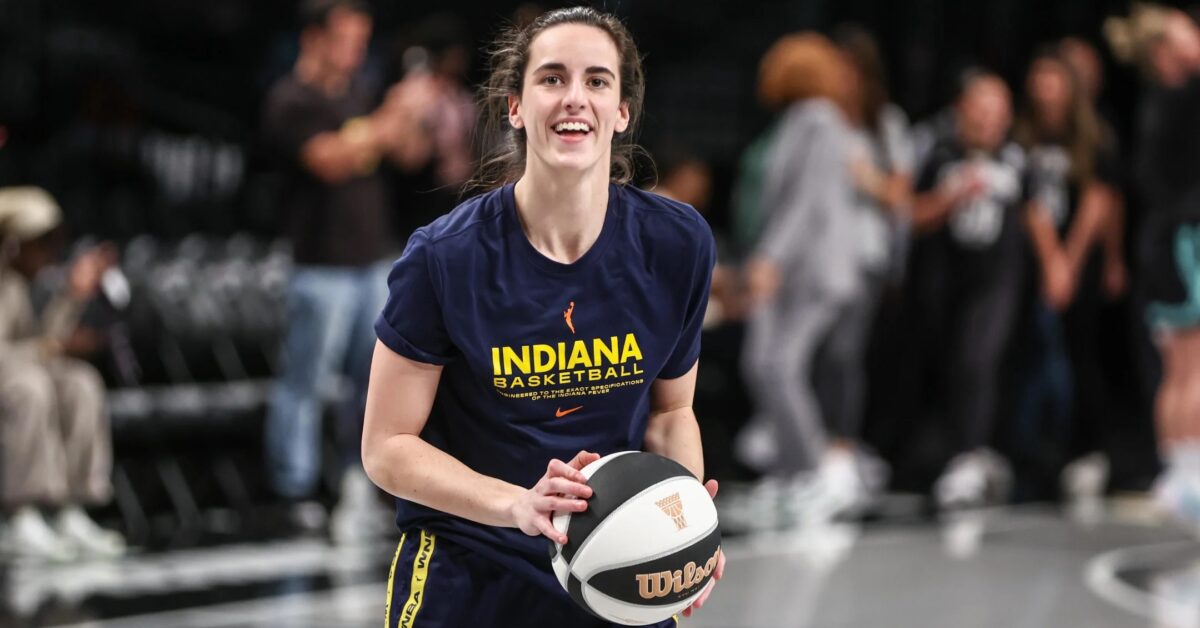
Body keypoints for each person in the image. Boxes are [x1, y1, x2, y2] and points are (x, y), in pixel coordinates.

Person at [361, 7, 722, 627]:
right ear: (515, 107)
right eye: (552, 79)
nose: (574, 98)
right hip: (472, 563)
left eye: (597, 81)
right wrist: (517, 505)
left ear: (623, 111)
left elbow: (671, 412)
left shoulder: (677, 244)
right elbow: (386, 447)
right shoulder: (445, 257)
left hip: (613, 566)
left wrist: (681, 526)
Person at [260, 0, 435, 540]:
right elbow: (331, 159)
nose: (356, 51)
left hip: (371, 264)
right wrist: (388, 119)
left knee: (374, 384)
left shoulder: (357, 96)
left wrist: (410, 114)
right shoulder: (293, 99)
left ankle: (356, 482)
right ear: (314, 38)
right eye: (346, 39)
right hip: (319, 268)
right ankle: (293, 491)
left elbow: (409, 155)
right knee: (305, 383)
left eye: (362, 40)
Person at [736, 33, 864, 524]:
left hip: (810, 271)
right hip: (789, 270)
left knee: (779, 366)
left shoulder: (820, 121)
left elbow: (807, 202)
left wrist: (770, 257)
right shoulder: (795, 121)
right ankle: (791, 476)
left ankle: (812, 475)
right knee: (763, 363)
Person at [911, 73, 1032, 509]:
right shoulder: (940, 156)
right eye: (979, 110)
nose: (986, 121)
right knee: (955, 365)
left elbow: (1035, 217)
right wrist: (951, 195)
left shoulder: (1018, 160)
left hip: (997, 282)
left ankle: (967, 457)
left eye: (996, 112)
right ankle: (968, 452)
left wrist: (1057, 266)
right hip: (947, 283)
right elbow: (915, 214)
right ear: (962, 111)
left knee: (977, 360)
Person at [1011, 49, 1126, 498]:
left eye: (1055, 77)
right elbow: (1030, 206)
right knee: (1033, 356)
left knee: (1081, 356)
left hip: (1081, 260)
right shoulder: (1024, 136)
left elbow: (1103, 201)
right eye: (1039, 76)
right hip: (1034, 262)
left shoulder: (1093, 135)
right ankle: (1033, 453)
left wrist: (1079, 262)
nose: (1047, 87)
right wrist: (1051, 262)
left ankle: (1086, 452)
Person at [1106, 4, 1200, 527]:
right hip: (1180, 241)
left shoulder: (1161, 103)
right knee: (1192, 365)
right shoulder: (1178, 98)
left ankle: (1181, 473)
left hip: (1165, 242)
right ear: (1164, 51)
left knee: (1181, 367)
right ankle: (1189, 476)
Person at [0, 186, 125, 560]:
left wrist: (74, 294)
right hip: (12, 377)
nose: (50, 253)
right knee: (31, 388)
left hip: (14, 369)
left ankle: (70, 508)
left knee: (80, 382)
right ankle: (20, 512)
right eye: (41, 242)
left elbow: (37, 342)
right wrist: (51, 349)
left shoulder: (17, 283)